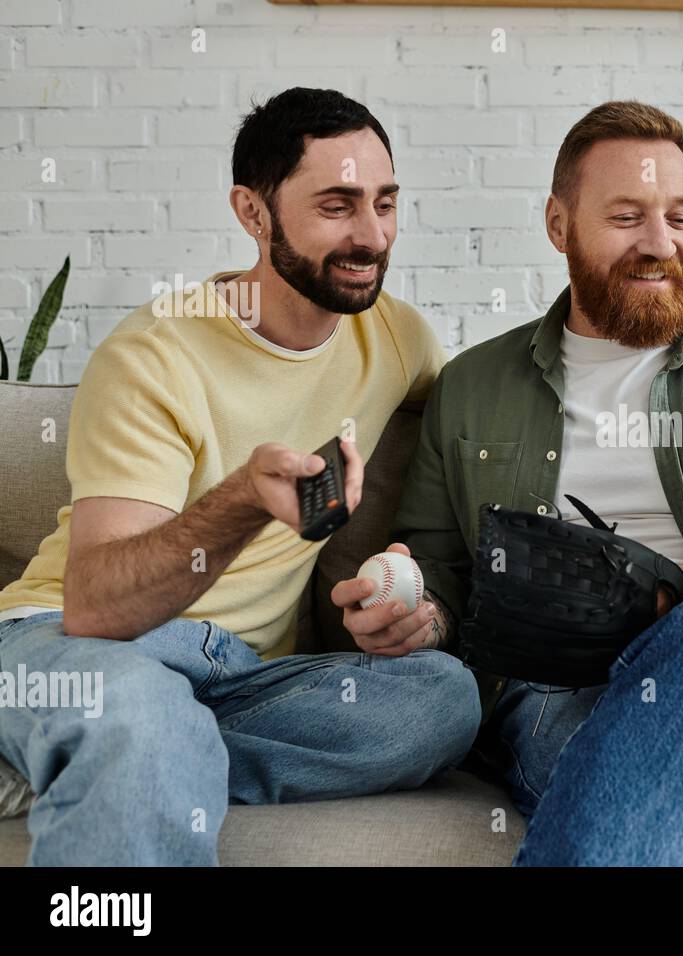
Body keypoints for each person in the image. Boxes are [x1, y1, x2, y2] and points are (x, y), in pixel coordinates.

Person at [0, 88, 480, 866]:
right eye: (336, 205)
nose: (371, 236)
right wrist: (243, 503)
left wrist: (411, 584)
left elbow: (480, 420)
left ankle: (96, 761)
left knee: (440, 699)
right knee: (137, 707)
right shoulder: (155, 355)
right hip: (71, 642)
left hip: (241, 678)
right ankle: (115, 747)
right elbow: (95, 604)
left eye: (385, 203)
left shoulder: (396, 336)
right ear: (253, 213)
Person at [391, 100, 683, 866]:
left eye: (680, 216)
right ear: (558, 225)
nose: (660, 244)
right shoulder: (473, 385)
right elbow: (437, 569)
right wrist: (418, 615)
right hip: (552, 692)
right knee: (619, 767)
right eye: (626, 216)